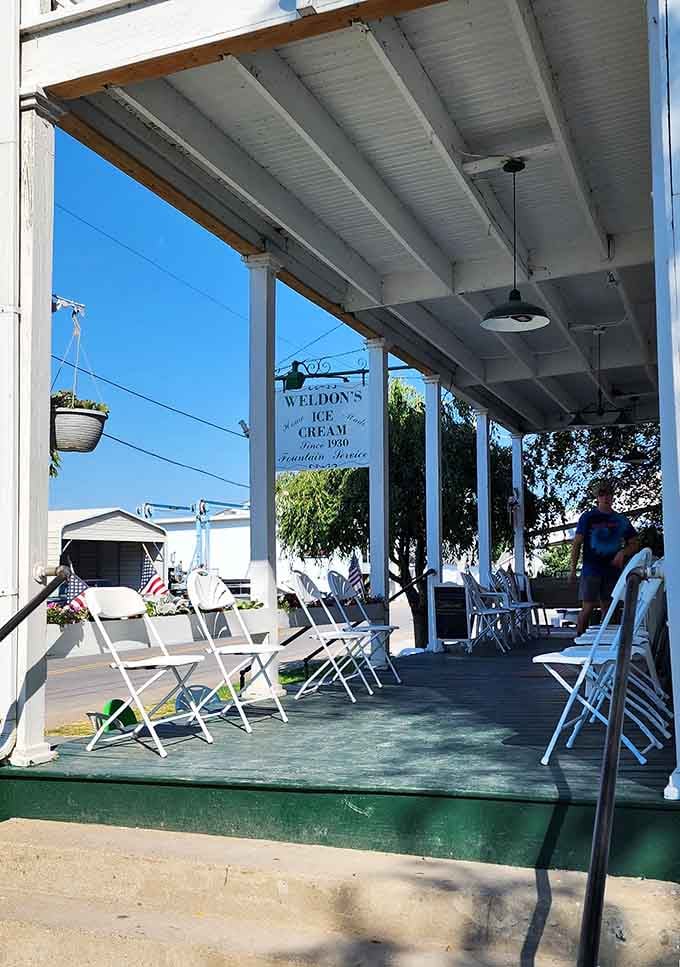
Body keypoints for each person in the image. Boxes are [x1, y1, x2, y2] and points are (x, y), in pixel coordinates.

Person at [570, 481, 639, 636]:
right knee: (587, 608)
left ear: (613, 496)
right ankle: (578, 639)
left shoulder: (620, 519)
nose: (606, 497)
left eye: (608, 493)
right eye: (602, 494)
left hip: (612, 571)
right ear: (597, 497)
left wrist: (623, 552)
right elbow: (577, 543)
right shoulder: (588, 517)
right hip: (591, 570)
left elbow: (634, 543)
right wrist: (573, 569)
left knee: (609, 608)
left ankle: (603, 641)